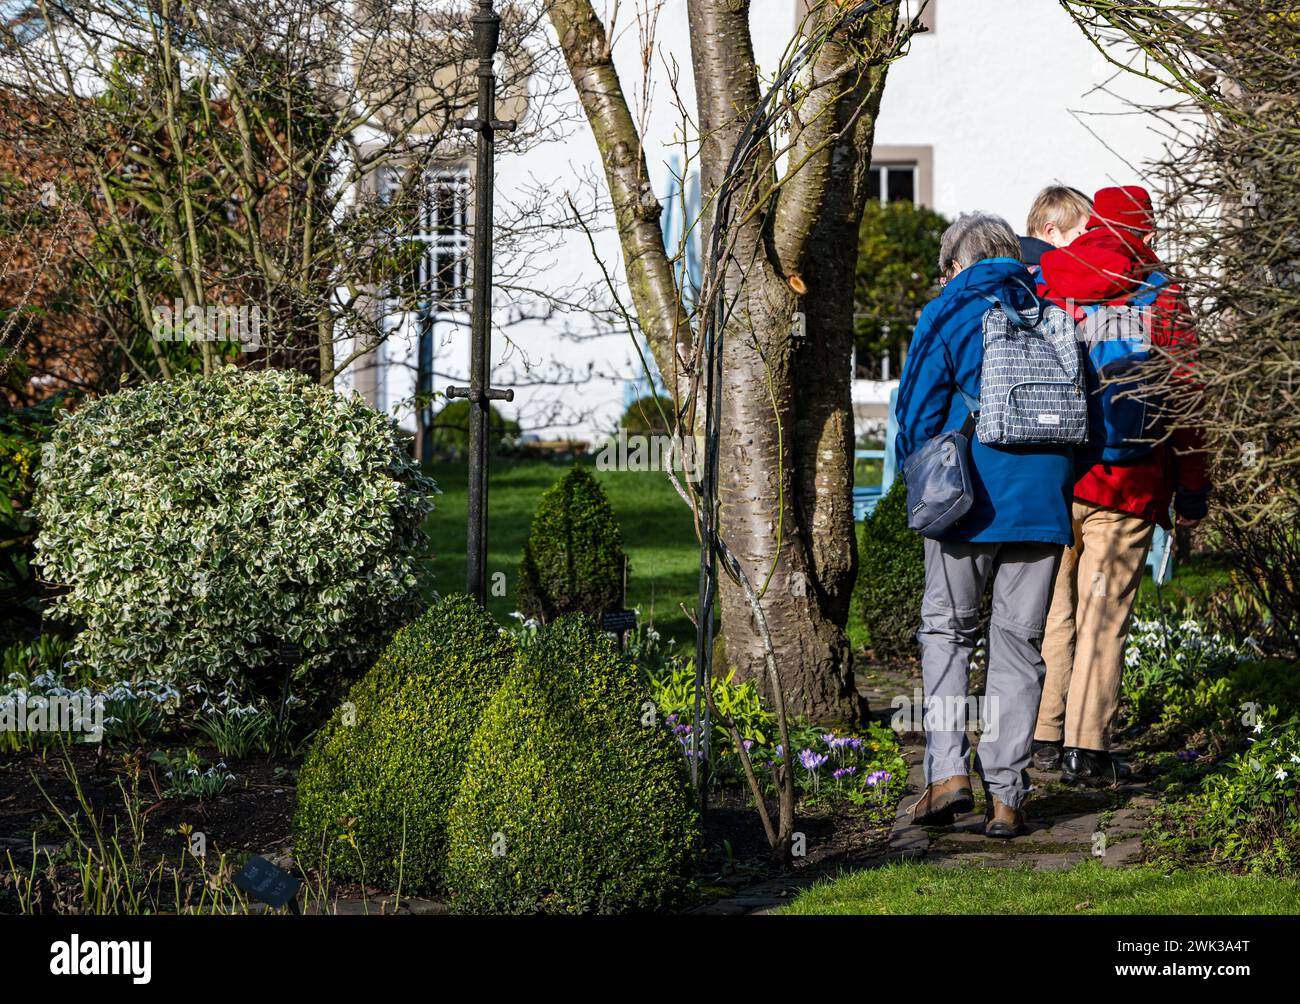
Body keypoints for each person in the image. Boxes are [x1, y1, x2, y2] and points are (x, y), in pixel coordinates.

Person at [894, 212, 1095, 838]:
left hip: (965, 499)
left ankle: (948, 774)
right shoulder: (1053, 316)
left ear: (957, 264)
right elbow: (1088, 419)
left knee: (948, 634)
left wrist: (918, 478)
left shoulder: (947, 313)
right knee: (1018, 644)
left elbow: (916, 413)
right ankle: (1007, 796)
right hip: (1042, 506)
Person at [1031, 185, 1210, 784]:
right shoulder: (1162, 296)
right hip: (1126, 483)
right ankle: (1089, 750)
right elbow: (1186, 397)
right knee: (1103, 613)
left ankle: (1044, 737)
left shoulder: (1046, 279)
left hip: (1053, 476)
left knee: (1054, 615)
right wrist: (1192, 488)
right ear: (1148, 231)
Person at [1018, 185, 1092, 271]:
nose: (1092, 246)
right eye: (1083, 237)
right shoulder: (1047, 279)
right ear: (1052, 234)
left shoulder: (1014, 269)